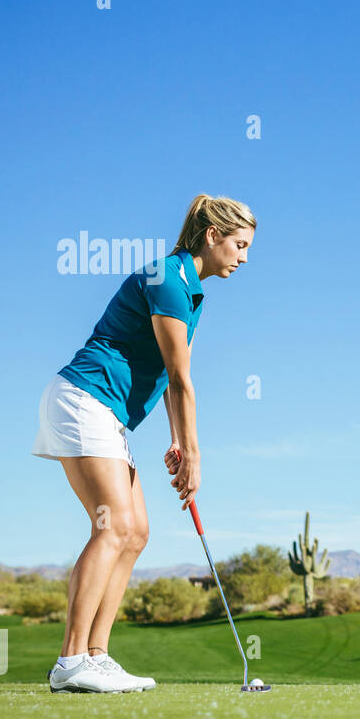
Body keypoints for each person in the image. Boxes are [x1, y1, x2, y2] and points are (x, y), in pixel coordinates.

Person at [31, 194, 256, 692]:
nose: (244, 257)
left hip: (108, 414)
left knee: (135, 534)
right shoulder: (169, 279)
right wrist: (193, 455)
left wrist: (178, 441)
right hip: (83, 399)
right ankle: (70, 663)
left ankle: (97, 655)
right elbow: (181, 380)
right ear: (213, 236)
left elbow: (167, 379)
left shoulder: (190, 291)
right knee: (112, 526)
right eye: (239, 245)